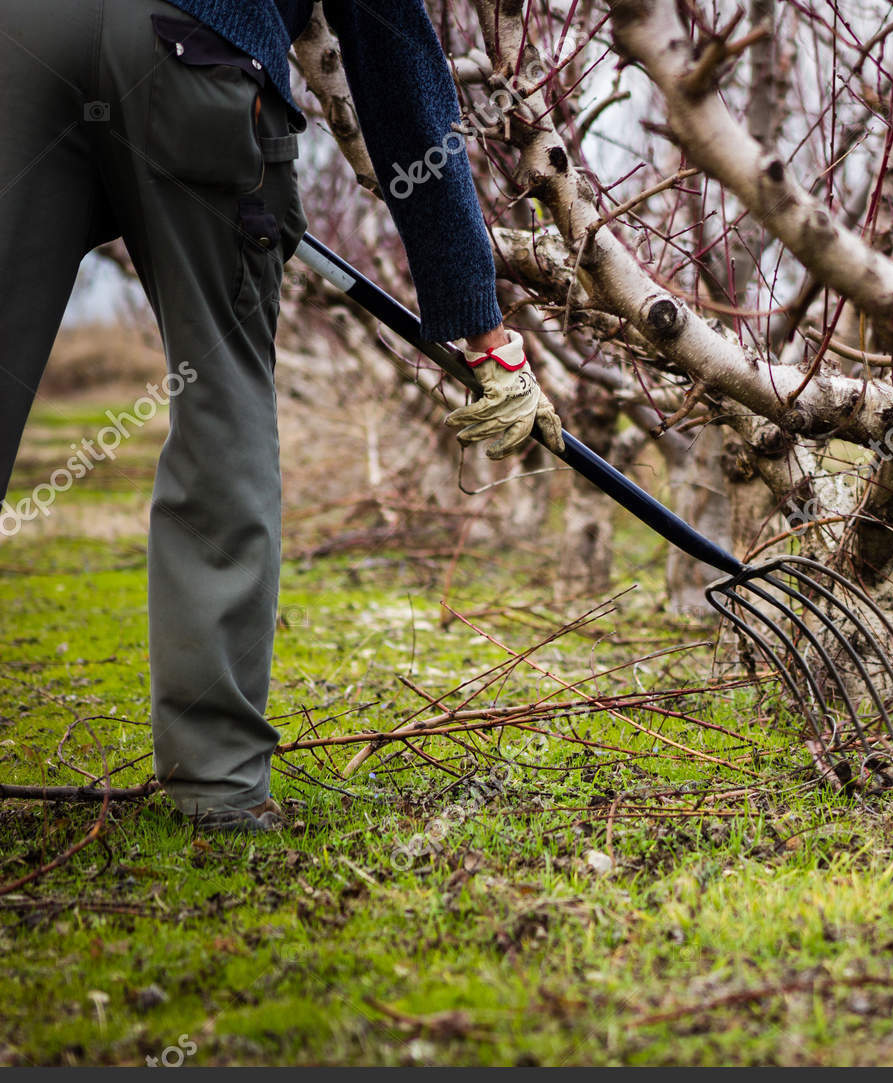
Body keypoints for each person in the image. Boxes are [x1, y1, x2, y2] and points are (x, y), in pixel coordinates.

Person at [0, 0, 562, 831]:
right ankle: (216, 782)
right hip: (186, 42)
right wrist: (478, 320)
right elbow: (398, 62)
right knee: (219, 391)